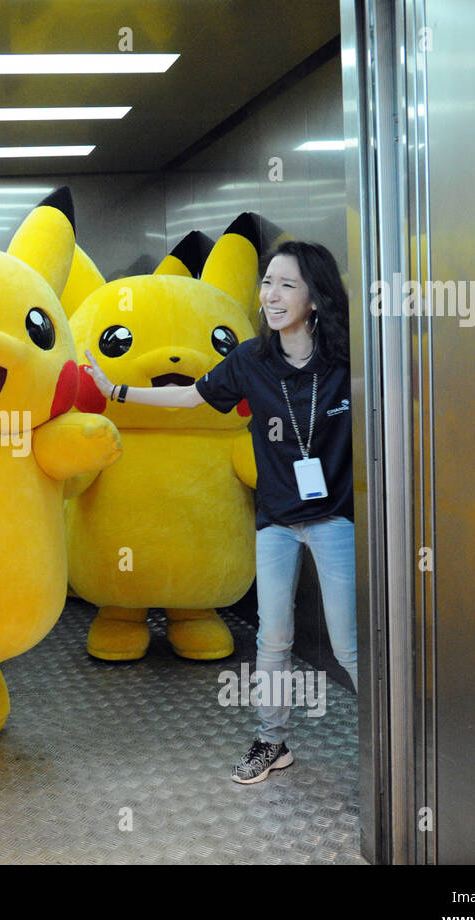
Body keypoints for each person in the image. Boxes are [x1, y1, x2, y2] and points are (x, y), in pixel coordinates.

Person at [84, 240, 356, 785]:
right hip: (278, 521)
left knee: (348, 644)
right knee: (273, 639)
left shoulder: (348, 363)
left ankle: (396, 738)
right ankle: (271, 742)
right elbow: (189, 399)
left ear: (316, 298)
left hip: (334, 520)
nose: (272, 296)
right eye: (267, 283)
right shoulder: (252, 360)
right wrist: (115, 390)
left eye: (287, 285)